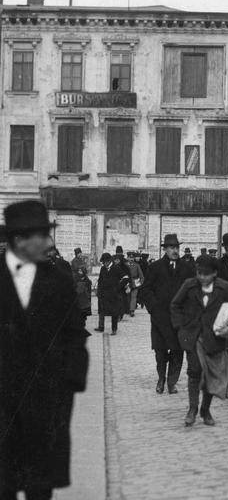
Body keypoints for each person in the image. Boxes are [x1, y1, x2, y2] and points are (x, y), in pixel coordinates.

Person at [0, 200, 89, 500]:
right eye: (41, 235)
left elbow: (76, 334)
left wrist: (67, 387)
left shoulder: (59, 280)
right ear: (19, 240)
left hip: (46, 403)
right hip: (2, 404)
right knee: (4, 483)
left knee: (41, 485)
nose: (48, 242)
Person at [171, 255, 228, 426]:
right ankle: (192, 409)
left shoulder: (224, 288)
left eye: (206, 274)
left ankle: (205, 409)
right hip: (193, 337)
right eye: (199, 273)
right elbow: (175, 305)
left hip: (214, 338)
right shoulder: (189, 285)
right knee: (195, 370)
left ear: (214, 273)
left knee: (210, 375)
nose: (201, 277)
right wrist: (180, 328)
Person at [139, 234, 195, 395]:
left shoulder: (187, 268)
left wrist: (189, 312)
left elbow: (193, 290)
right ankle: (161, 379)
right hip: (160, 318)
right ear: (165, 249)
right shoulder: (155, 267)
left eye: (177, 247)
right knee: (160, 351)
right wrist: (153, 307)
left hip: (180, 319)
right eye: (171, 248)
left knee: (178, 351)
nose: (175, 251)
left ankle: (172, 382)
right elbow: (146, 289)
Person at [96, 252, 128, 335]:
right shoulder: (103, 269)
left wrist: (118, 287)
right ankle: (101, 327)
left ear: (109, 261)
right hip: (104, 294)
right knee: (101, 310)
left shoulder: (116, 268)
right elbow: (100, 281)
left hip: (114, 295)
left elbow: (125, 278)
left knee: (114, 312)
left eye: (105, 262)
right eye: (103, 262)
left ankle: (114, 329)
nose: (104, 264)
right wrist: (99, 291)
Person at [127, 251, 144, 317]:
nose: (131, 259)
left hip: (134, 282)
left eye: (132, 258)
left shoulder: (137, 265)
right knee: (127, 297)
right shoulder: (125, 265)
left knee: (133, 297)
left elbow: (141, 276)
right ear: (127, 258)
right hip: (127, 283)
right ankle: (127, 309)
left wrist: (140, 283)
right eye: (129, 258)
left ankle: (132, 311)